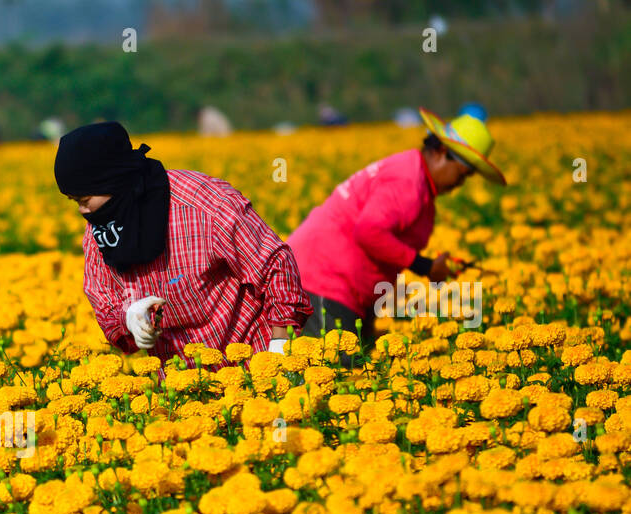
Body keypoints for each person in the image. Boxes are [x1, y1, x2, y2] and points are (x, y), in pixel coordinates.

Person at [54, 121, 311, 367]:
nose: (82, 211)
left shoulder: (204, 204)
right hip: (182, 391)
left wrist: (280, 345)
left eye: (85, 198)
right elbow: (104, 301)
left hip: (255, 365)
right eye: (73, 201)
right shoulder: (101, 233)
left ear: (114, 180)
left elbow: (275, 265)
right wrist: (129, 319)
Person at [286, 107, 507, 362]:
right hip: (322, 282)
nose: (459, 184)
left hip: (337, 286)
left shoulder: (414, 176)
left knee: (357, 368)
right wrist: (425, 266)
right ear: (443, 153)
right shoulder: (409, 180)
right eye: (463, 175)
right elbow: (369, 232)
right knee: (334, 372)